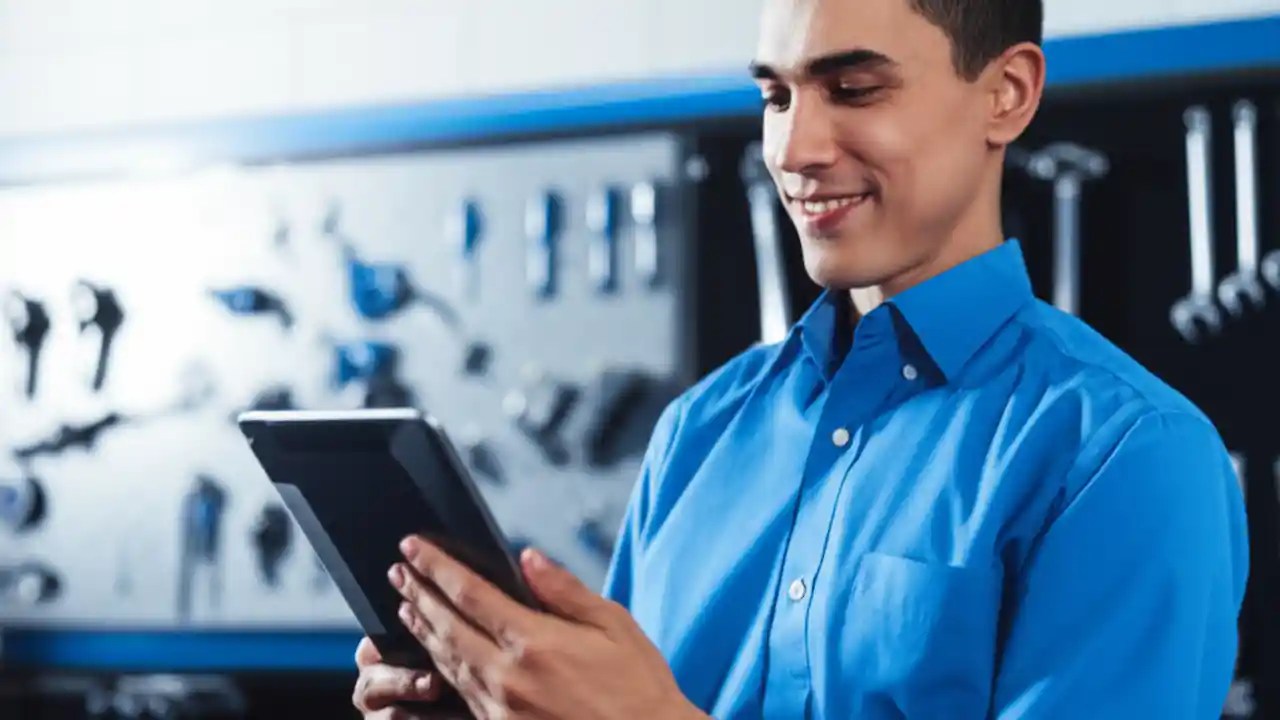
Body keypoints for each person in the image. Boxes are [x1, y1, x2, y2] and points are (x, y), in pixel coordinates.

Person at [352, 0, 1249, 717]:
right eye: (776, 96)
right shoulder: (697, 432)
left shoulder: (1130, 458)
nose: (794, 149)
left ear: (1006, 94)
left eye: (852, 88)